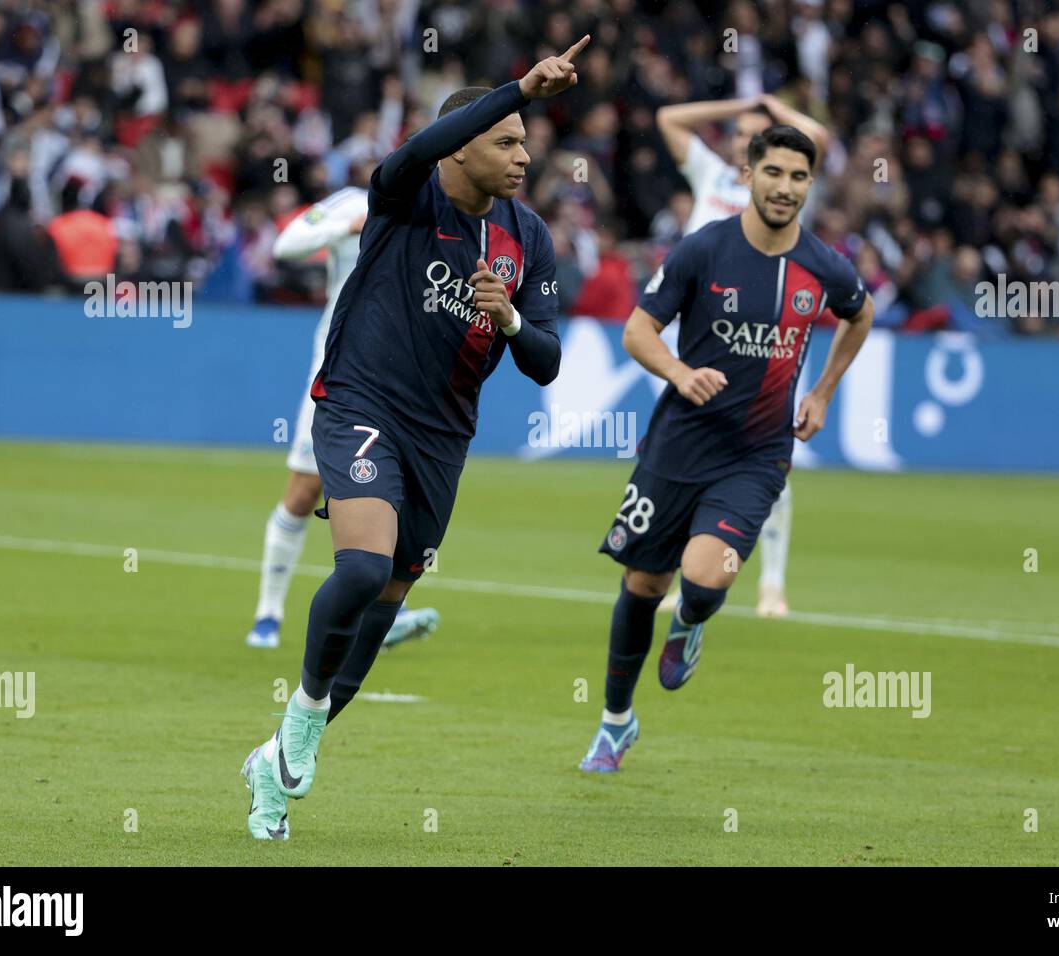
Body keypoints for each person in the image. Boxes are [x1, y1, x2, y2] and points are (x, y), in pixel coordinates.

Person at [241, 37, 588, 839]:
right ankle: (301, 721)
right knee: (361, 568)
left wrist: (506, 318)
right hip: (361, 401)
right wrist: (520, 89)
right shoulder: (406, 195)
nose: (523, 155)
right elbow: (414, 148)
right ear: (463, 141)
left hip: (443, 438)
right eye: (505, 139)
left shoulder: (526, 238)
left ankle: (277, 756)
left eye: (526, 143)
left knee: (384, 602)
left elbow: (547, 360)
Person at [580, 126, 874, 772]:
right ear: (747, 175)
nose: (786, 188)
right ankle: (615, 723)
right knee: (641, 581)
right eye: (773, 172)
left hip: (756, 454)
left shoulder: (823, 266)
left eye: (799, 177)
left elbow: (862, 312)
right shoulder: (702, 251)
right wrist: (680, 374)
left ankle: (690, 618)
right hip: (678, 445)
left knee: (706, 576)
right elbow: (638, 330)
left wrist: (822, 393)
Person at [654, 93, 831, 618]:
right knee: (684, 455)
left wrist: (775, 109)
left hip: (762, 336)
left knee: (765, 459)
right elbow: (668, 117)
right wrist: (738, 104)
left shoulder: (783, 188)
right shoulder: (711, 175)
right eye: (739, 137)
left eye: (756, 138)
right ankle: (682, 574)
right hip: (694, 340)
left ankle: (771, 586)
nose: (741, 145)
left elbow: (817, 141)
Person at [243, 185, 440, 653]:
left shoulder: (438, 215)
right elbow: (285, 245)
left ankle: (385, 613)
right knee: (303, 492)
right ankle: (268, 612)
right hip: (337, 375)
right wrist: (346, 227)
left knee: (387, 492)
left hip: (400, 383)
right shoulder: (355, 202)